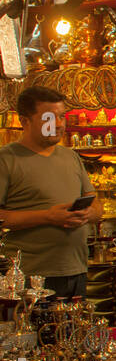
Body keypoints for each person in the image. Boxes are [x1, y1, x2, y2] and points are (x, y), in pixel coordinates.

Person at [0, 86, 101, 297]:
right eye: (48, 118)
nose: (58, 124)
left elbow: (97, 206)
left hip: (76, 270)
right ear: (24, 121)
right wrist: (48, 217)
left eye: (62, 117)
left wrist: (88, 214)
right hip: (29, 277)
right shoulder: (6, 160)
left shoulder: (71, 157)